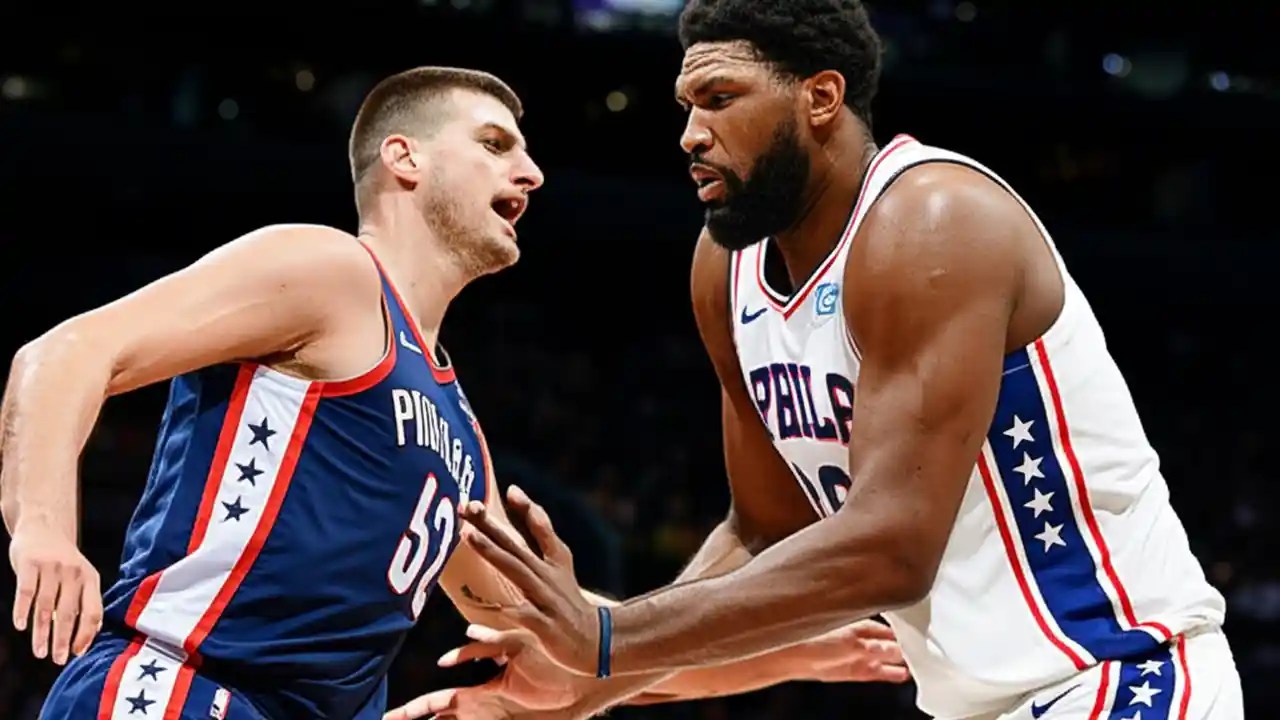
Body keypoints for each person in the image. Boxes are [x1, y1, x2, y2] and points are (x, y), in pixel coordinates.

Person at [1, 65, 907, 720]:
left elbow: (570, 651)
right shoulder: (327, 270)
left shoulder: (459, 436)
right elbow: (70, 353)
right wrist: (42, 526)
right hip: (179, 688)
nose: (532, 173)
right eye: (494, 144)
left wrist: (791, 654)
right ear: (404, 158)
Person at [449, 1, 1246, 718]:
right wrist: (592, 679)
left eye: (721, 99)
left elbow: (891, 549)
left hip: (1122, 675)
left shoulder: (932, 223)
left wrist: (609, 638)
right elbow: (766, 533)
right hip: (981, 705)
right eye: (688, 107)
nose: (691, 133)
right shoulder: (725, 268)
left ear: (820, 98)